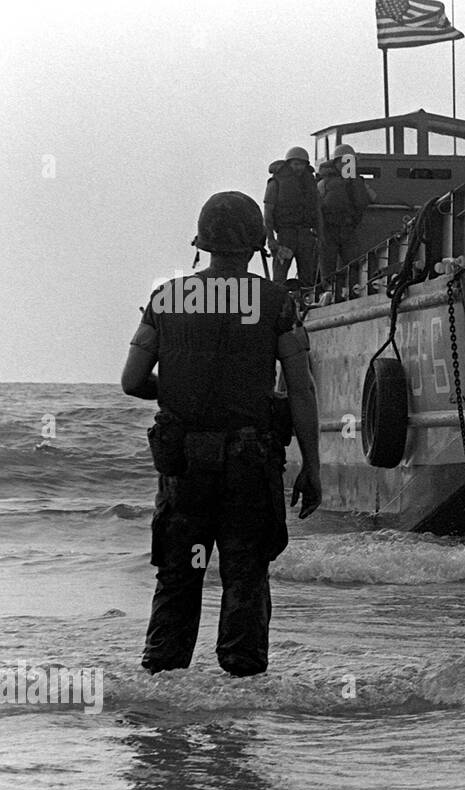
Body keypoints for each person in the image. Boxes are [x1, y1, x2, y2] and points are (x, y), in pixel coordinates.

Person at [120, 191, 322, 677]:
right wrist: (312, 469)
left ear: (203, 242)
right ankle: (242, 697)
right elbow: (301, 390)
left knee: (179, 578)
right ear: (257, 244)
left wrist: (182, 391)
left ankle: (163, 695)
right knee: (245, 577)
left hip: (185, 468)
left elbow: (131, 381)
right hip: (249, 465)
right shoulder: (276, 302)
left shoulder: (166, 298)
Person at [264, 146, 325, 286]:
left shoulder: (310, 184)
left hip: (306, 235)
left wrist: (321, 236)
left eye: (302, 164)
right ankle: (278, 304)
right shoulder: (276, 183)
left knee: (308, 277)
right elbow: (268, 211)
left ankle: (306, 302)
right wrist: (271, 238)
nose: (299, 167)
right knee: (279, 276)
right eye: (296, 164)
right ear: (289, 164)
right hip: (286, 236)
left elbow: (317, 211)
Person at [317, 144, 371, 283]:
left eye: (350, 161)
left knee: (353, 265)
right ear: (335, 163)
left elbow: (365, 200)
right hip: (329, 230)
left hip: (348, 229)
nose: (347, 165)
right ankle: (326, 293)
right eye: (344, 161)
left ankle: (352, 290)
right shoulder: (324, 183)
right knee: (327, 266)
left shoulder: (357, 182)